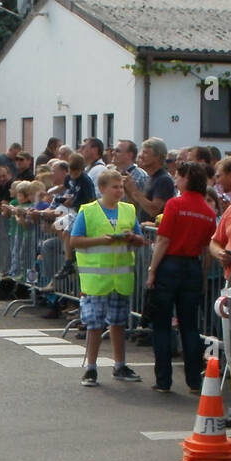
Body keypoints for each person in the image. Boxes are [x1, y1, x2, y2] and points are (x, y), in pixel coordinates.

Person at [69, 167, 147, 386]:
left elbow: (141, 240)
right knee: (94, 324)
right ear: (102, 188)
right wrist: (101, 240)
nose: (119, 191)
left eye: (121, 187)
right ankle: (91, 368)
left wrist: (133, 238)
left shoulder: (128, 210)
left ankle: (119, 365)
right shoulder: (89, 210)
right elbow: (75, 241)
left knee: (118, 323)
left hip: (120, 279)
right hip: (96, 279)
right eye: (115, 187)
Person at [145, 161, 216, 394]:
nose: (175, 179)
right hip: (193, 267)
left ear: (186, 178)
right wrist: (203, 276)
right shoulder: (208, 211)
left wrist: (152, 270)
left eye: (178, 175)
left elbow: (163, 240)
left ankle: (163, 380)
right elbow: (207, 248)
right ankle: (194, 380)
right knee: (190, 325)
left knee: (162, 324)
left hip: (170, 264)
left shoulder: (175, 204)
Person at [125, 137, 174, 220]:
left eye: (145, 152)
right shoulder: (151, 178)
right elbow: (140, 206)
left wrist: (135, 191)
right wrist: (128, 190)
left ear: (158, 156)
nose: (140, 156)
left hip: (153, 231)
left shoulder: (163, 180)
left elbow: (154, 211)